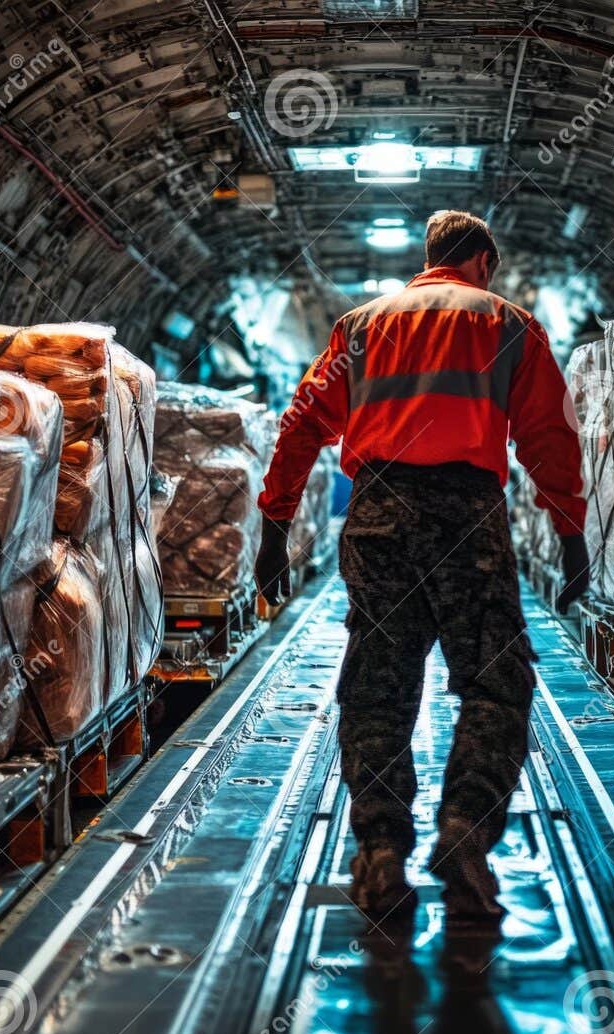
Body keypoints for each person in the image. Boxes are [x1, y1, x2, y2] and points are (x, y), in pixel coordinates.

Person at [254, 209, 590, 928]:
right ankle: (465, 832)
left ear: (430, 256)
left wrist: (274, 527)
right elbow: (549, 437)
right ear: (483, 261)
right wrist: (570, 534)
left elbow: (301, 422)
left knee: (377, 687)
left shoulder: (362, 327)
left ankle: (379, 850)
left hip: (378, 517)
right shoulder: (508, 324)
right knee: (495, 681)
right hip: (468, 517)